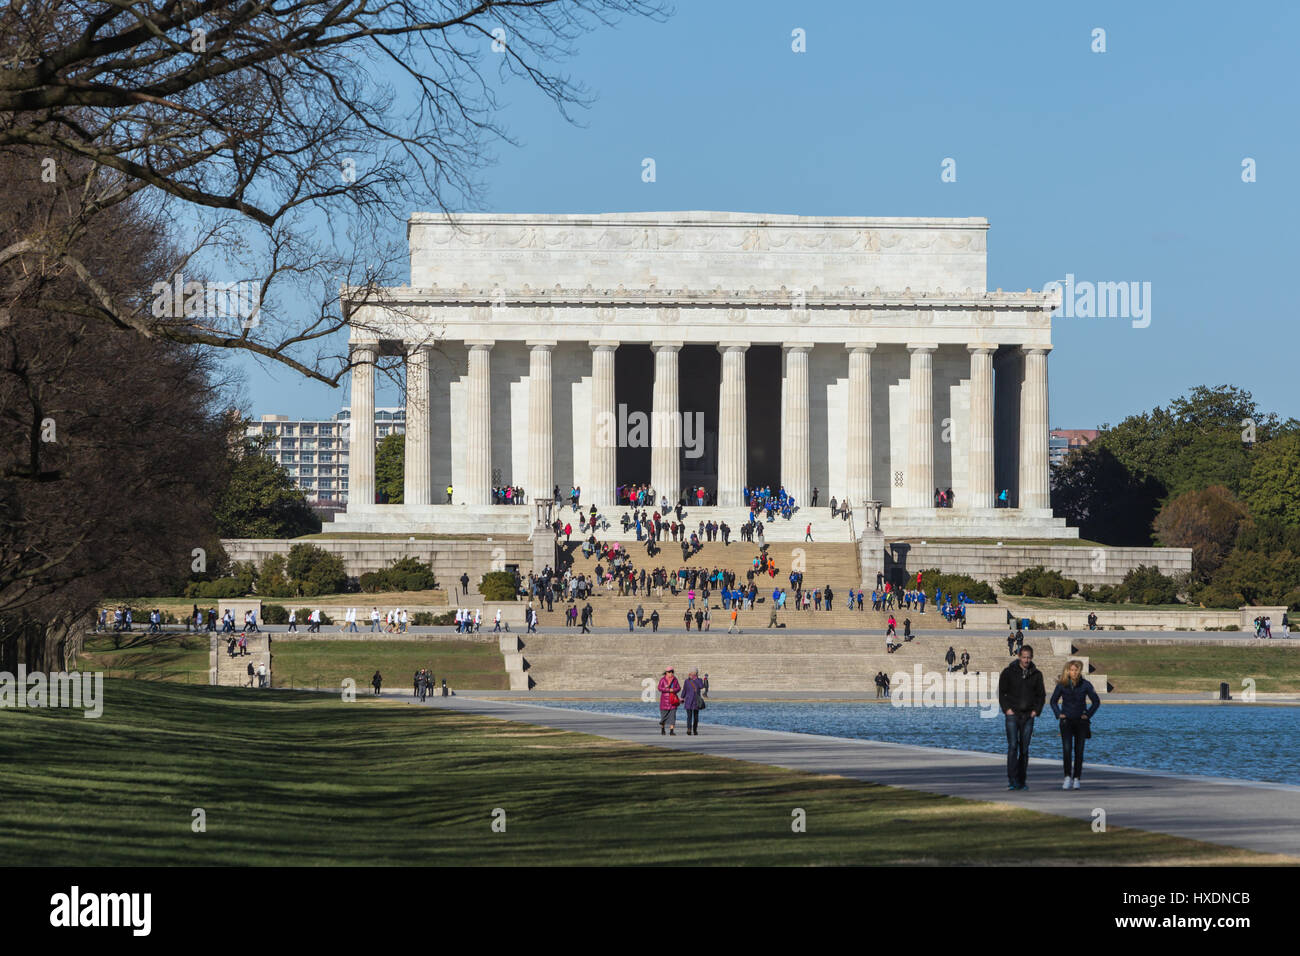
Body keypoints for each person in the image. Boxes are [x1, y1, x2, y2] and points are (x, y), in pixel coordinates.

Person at [999, 645, 1046, 791]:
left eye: (1028, 657)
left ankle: (1022, 780)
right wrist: (1007, 709)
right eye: (1024, 657)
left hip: (1028, 715)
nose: (1026, 660)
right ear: (1019, 656)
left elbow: (1041, 695)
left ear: (1031, 658)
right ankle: (1012, 780)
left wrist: (1035, 711)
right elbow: (1002, 693)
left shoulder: (1036, 674)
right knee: (1013, 746)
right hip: (1013, 715)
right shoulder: (1008, 672)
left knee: (1024, 749)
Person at [1050, 659, 1101, 790]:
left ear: (1079, 671)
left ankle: (1077, 778)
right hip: (1066, 721)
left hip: (1081, 722)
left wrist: (1088, 715)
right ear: (1068, 671)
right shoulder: (1062, 684)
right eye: (1071, 670)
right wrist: (1058, 714)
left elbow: (1096, 702)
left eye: (1076, 670)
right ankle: (1067, 777)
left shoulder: (1086, 685)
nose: (1074, 672)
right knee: (1067, 750)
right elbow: (1053, 701)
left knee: (1079, 751)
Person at [682, 667, 706, 735]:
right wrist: (682, 697)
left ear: (696, 673)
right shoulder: (687, 681)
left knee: (696, 717)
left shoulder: (699, 680)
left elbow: (701, 686)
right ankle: (689, 729)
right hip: (688, 701)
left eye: (693, 672)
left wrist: (696, 679)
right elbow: (684, 690)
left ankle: (695, 729)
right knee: (689, 716)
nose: (692, 674)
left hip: (696, 701)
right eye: (691, 672)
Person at [658, 668, 681, 735]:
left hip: (673, 700)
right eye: (669, 672)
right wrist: (667, 689)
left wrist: (673, 690)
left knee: (672, 716)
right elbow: (659, 688)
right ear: (666, 673)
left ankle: (671, 731)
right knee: (663, 716)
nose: (670, 673)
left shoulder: (675, 679)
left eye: (672, 672)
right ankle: (662, 729)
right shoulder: (662, 680)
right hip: (664, 701)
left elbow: (678, 688)